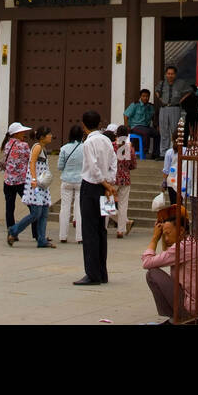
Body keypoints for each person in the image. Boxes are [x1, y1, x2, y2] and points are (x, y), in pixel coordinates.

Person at [141, 204, 198, 323]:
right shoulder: (197, 242)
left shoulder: (181, 247)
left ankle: (175, 318)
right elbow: (166, 254)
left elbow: (147, 262)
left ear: (181, 230)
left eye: (168, 233)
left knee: (152, 273)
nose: (166, 238)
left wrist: (155, 238)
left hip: (193, 310)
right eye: (164, 234)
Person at [74, 109, 117, 286]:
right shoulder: (107, 140)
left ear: (83, 125)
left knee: (90, 231)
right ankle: (101, 272)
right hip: (105, 188)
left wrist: (104, 183)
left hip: (92, 186)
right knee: (101, 229)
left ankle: (92, 273)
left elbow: (92, 167)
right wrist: (110, 183)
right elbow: (114, 162)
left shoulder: (88, 143)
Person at [8, 126, 57, 248]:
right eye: (48, 134)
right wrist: (34, 179)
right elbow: (32, 162)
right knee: (36, 213)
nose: (51, 136)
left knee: (44, 212)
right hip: (36, 185)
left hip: (42, 185)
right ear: (42, 137)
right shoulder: (37, 147)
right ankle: (14, 230)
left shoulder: (42, 148)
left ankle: (41, 239)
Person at [1, 123, 36, 238]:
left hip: (8, 181)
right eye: (22, 132)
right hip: (21, 181)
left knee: (9, 208)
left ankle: (11, 232)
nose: (24, 134)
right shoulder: (24, 145)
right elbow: (29, 159)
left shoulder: (7, 144)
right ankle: (36, 233)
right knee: (33, 207)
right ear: (16, 133)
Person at [155, 66, 191, 163]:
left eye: (172, 74)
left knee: (175, 131)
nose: (170, 75)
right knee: (163, 131)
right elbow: (157, 91)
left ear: (175, 74)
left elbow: (189, 91)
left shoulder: (181, 83)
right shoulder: (162, 83)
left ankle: (175, 152)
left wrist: (181, 100)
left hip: (175, 107)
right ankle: (163, 154)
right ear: (166, 74)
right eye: (168, 73)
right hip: (164, 108)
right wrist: (160, 99)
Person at [58, 123, 85, 244]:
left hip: (66, 180)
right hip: (80, 181)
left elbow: (60, 166)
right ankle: (80, 237)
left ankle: (63, 236)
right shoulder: (85, 148)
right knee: (80, 209)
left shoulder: (64, 148)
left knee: (64, 208)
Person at [110, 126, 137, 238]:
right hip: (125, 178)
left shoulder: (112, 146)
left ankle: (104, 227)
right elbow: (133, 165)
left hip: (113, 178)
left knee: (107, 202)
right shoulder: (129, 148)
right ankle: (121, 230)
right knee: (123, 205)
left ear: (116, 134)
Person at [124, 89, 159, 159]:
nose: (145, 98)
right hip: (136, 126)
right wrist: (127, 127)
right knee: (146, 132)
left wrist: (156, 126)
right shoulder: (135, 105)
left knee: (157, 134)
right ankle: (144, 152)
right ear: (140, 97)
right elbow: (126, 115)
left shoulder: (150, 106)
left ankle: (156, 153)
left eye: (147, 96)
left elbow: (153, 118)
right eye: (143, 96)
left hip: (146, 126)